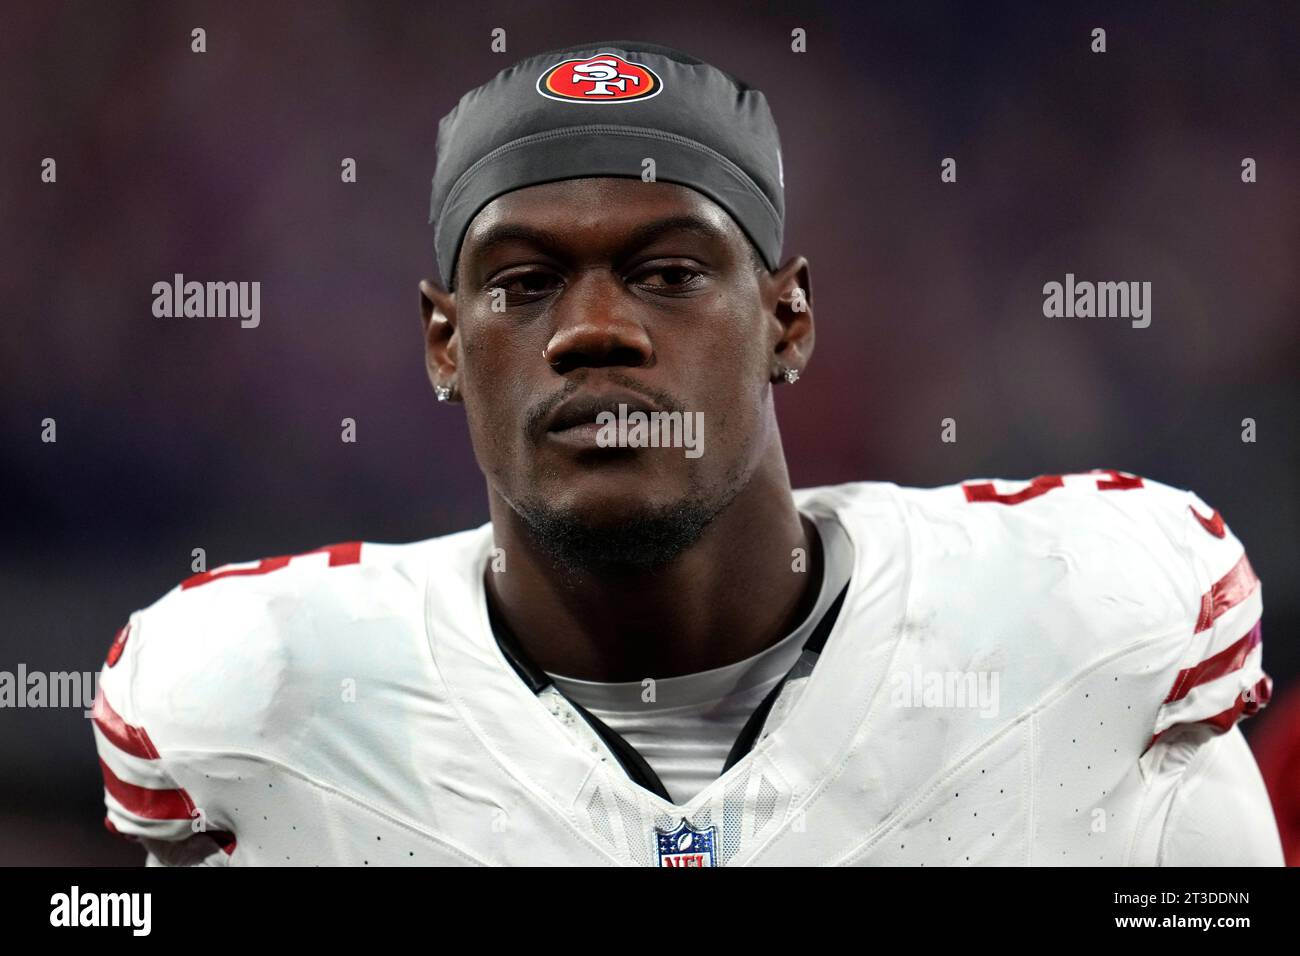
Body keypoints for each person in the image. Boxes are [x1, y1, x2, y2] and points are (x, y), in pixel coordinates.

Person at [91, 41, 1281, 867]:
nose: (594, 329)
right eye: (525, 282)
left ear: (788, 320)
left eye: (669, 273)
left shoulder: (1087, 620)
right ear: (444, 343)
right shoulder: (255, 697)